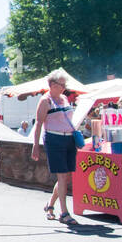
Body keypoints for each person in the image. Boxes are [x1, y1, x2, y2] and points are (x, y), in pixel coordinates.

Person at [32, 70, 78, 225]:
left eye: (65, 84)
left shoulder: (64, 98)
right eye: (61, 85)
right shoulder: (45, 101)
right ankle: (64, 213)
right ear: (52, 85)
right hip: (54, 139)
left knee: (66, 176)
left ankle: (50, 205)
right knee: (62, 176)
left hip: (69, 139)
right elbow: (38, 123)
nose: (64, 87)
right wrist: (36, 146)